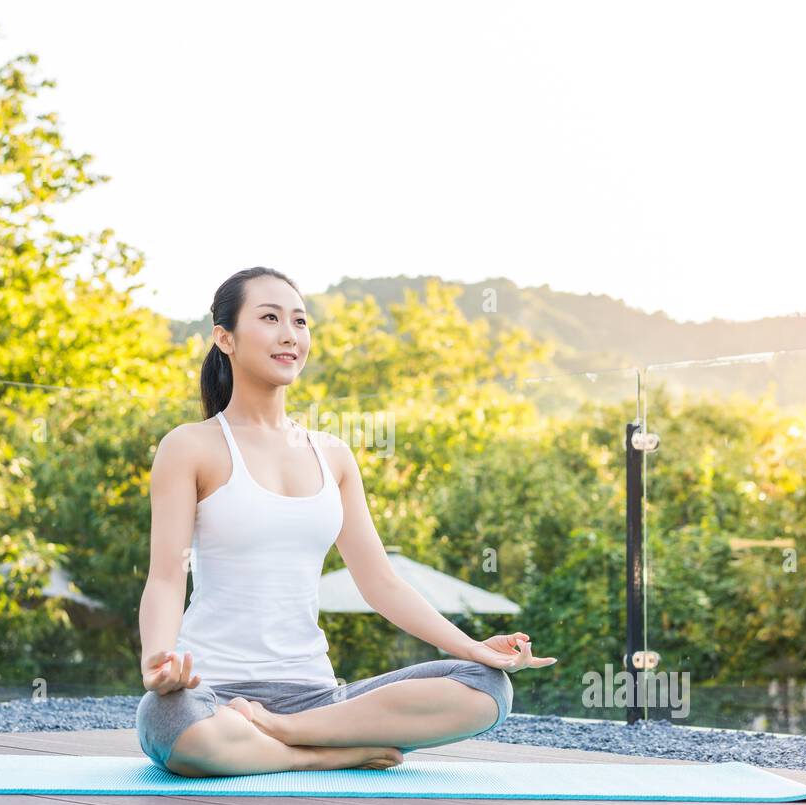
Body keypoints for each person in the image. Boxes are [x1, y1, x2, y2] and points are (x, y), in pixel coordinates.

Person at [135, 266, 557, 777]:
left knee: (488, 688)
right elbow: (165, 576)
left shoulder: (331, 455)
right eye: (269, 318)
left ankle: (285, 736)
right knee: (167, 720)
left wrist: (472, 648)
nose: (289, 334)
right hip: (215, 694)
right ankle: (332, 755)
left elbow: (380, 582)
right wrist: (158, 660)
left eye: (299, 321)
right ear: (224, 337)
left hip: (319, 699)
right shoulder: (190, 446)